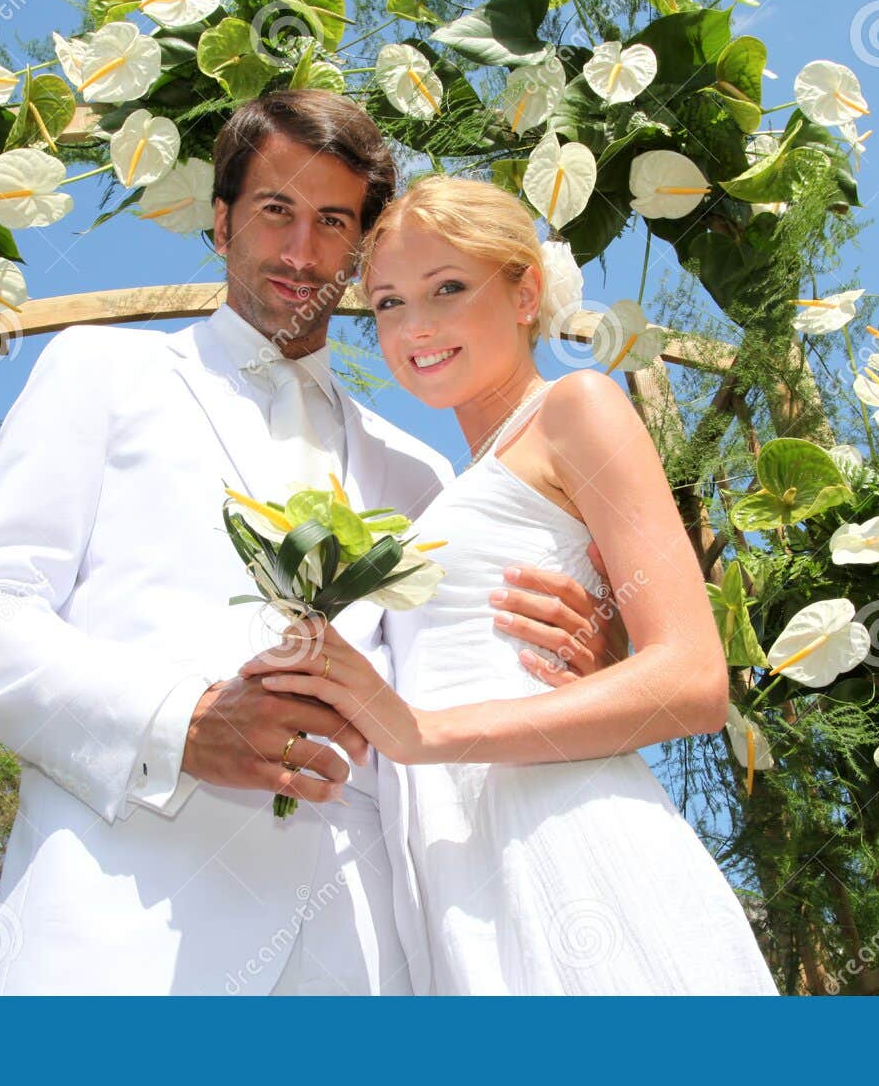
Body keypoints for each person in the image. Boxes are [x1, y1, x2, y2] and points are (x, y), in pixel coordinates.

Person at [0, 92, 626, 995]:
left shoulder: (418, 474)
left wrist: (591, 657)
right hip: (122, 943)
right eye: (275, 210)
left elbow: (453, 686)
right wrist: (181, 723)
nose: (301, 252)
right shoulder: (102, 372)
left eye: (333, 222)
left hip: (364, 958)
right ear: (220, 223)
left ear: (360, 250)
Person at [239, 176, 778, 994]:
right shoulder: (442, 489)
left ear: (525, 293)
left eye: (448, 288)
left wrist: (419, 730)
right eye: (388, 303)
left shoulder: (576, 407)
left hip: (561, 833)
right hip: (457, 866)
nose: (415, 326)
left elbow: (694, 679)